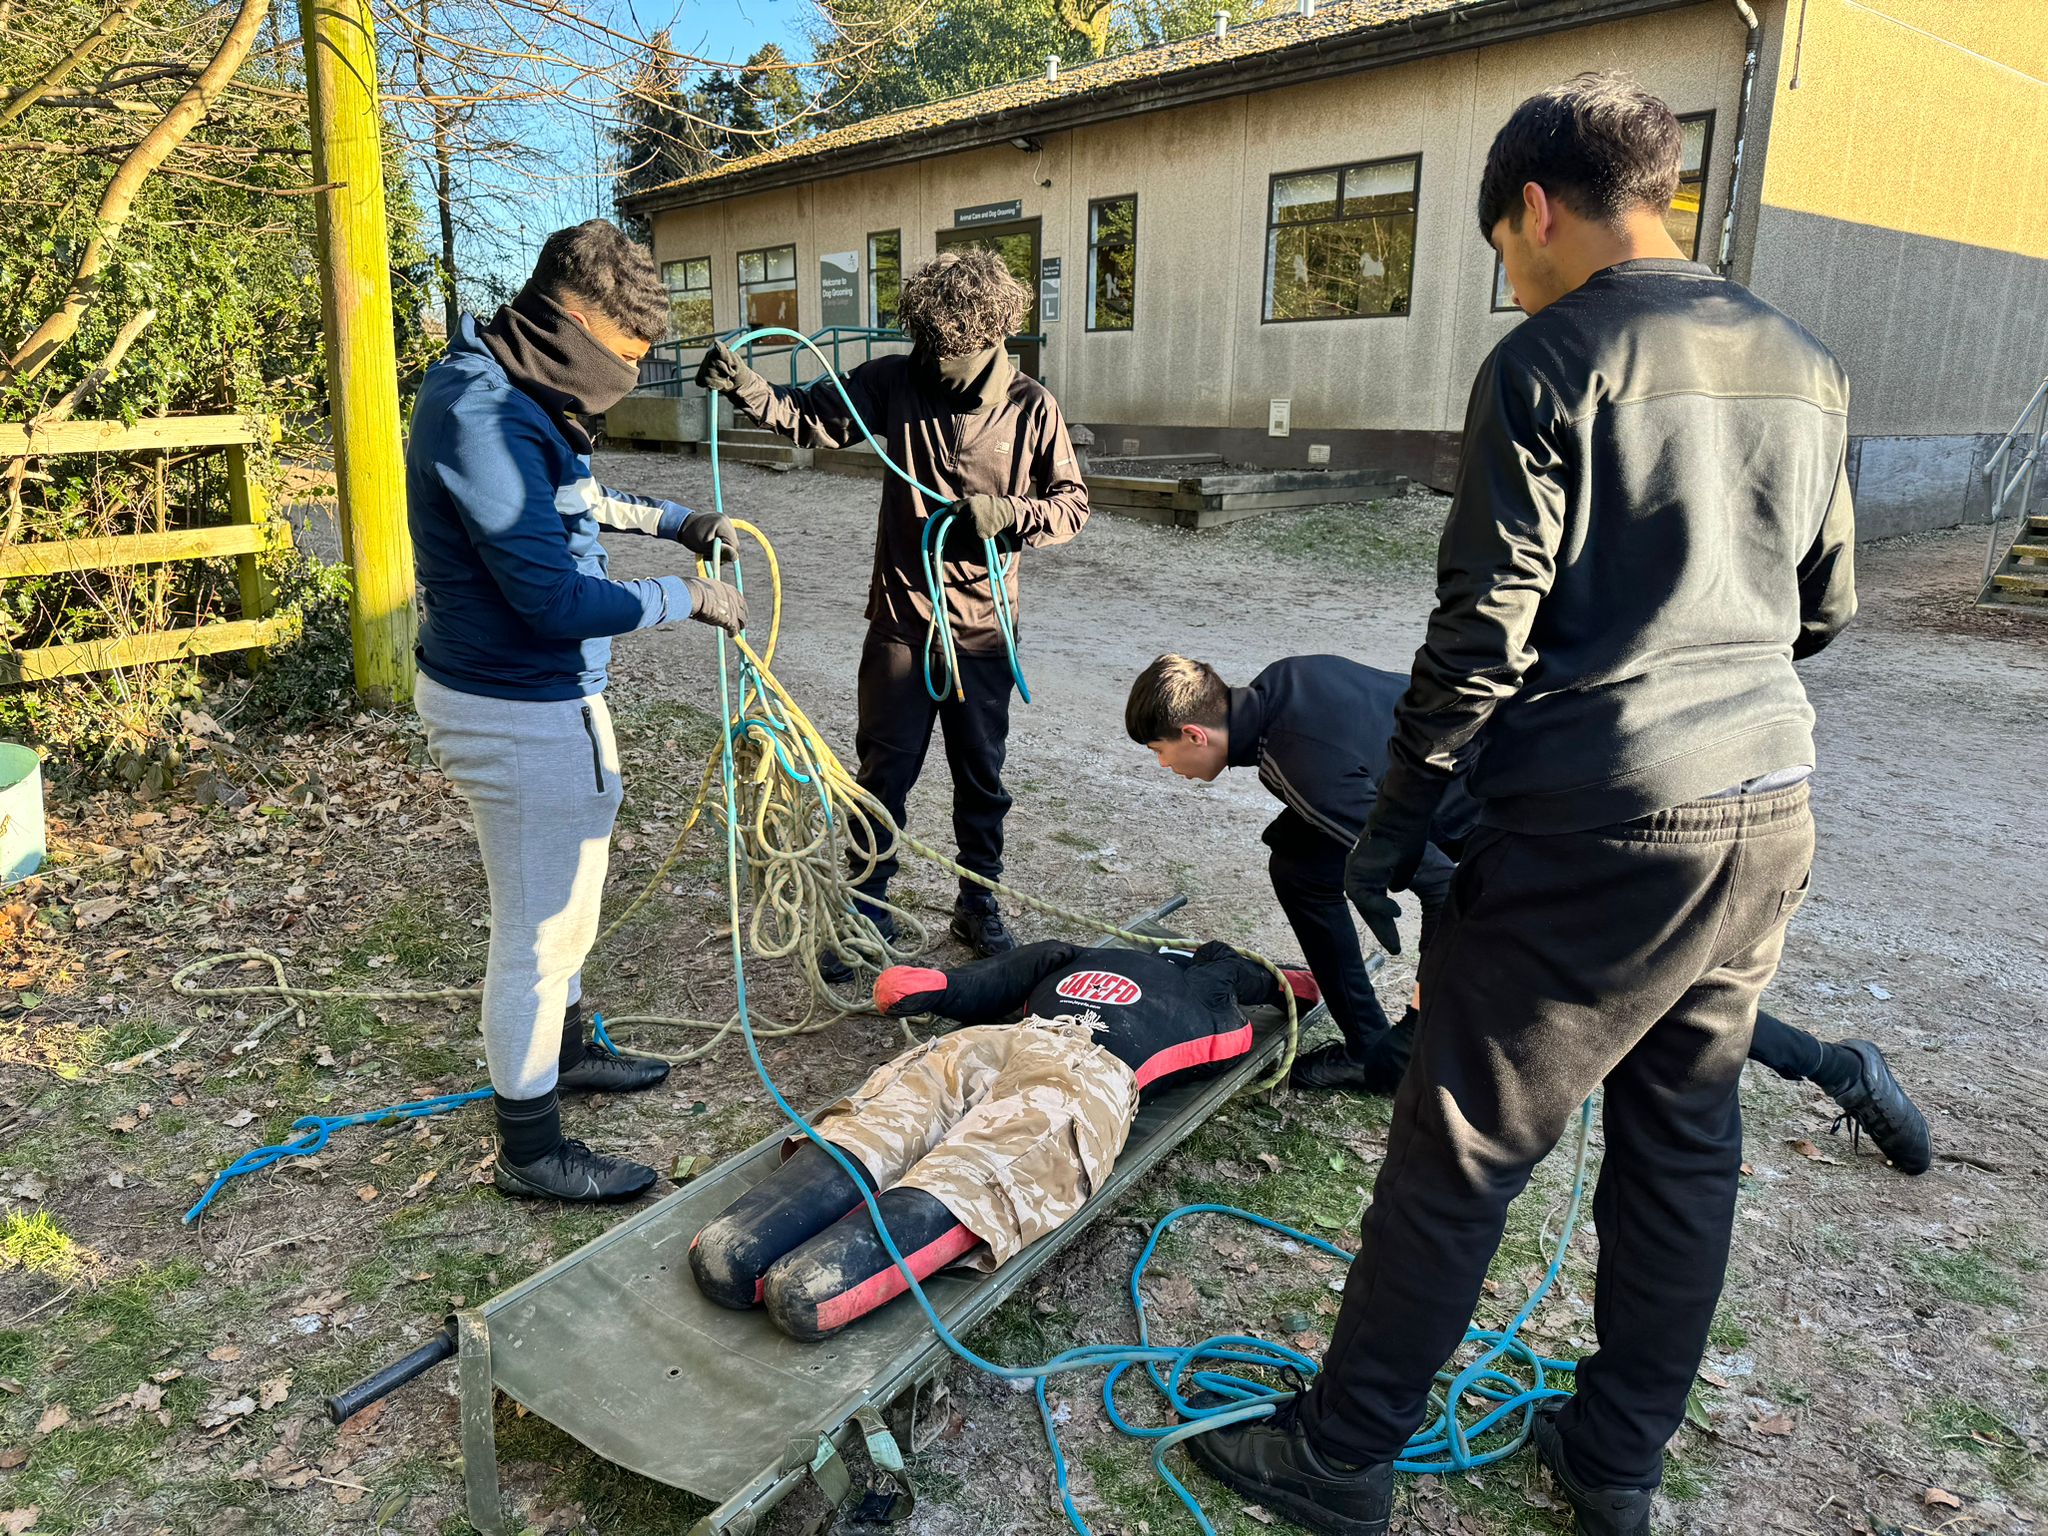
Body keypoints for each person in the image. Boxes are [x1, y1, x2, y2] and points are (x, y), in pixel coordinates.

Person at [1185, 76, 1867, 1536]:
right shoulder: (1806, 364)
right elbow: (1824, 610)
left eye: (1502, 241)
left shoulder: (1551, 358)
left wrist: (1395, 822)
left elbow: (1479, 635)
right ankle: (1615, 1464)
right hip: (1768, 806)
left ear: (1539, 207)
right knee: (1685, 1142)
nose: (1507, 271)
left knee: (1462, 1147)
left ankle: (1342, 1454)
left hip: (1596, 820)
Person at [1125, 651, 1931, 1176]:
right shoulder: (1289, 686)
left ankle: (1836, 1067)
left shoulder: (1297, 764)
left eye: (1164, 754)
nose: (1168, 770)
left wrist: (1425, 999)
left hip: (1524, 830)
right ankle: (1375, 1055)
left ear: (1196, 732)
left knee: (1634, 994)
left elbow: (1438, 884)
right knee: (1299, 860)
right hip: (1517, 786)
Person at [408, 220, 748, 1204]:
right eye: (621, 360)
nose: (623, 384)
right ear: (569, 321)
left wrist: (680, 521)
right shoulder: (481, 414)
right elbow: (553, 601)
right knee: (538, 925)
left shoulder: (512, 385)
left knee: (570, 900)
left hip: (548, 702)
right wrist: (684, 595)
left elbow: (578, 495)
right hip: (516, 709)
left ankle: (567, 1046)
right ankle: (530, 1148)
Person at [695, 250, 1089, 976]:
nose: (934, 360)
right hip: (901, 624)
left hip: (982, 631)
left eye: (951, 350)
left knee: (981, 779)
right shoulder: (892, 380)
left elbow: (1072, 506)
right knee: (881, 774)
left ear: (991, 337)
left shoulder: (1033, 407)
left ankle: (979, 905)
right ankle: (866, 908)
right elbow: (809, 417)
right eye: (927, 344)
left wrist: (1007, 513)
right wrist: (747, 386)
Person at [689, 940, 1316, 1340]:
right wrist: (938, 988)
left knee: (1003, 1154)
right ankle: (744, 1241)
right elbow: (1011, 971)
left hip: (1090, 1068)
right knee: (905, 1099)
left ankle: (818, 1280)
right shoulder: (1084, 953)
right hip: (1007, 1038)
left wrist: (1314, 985)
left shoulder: (1212, 982)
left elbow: (1277, 987)